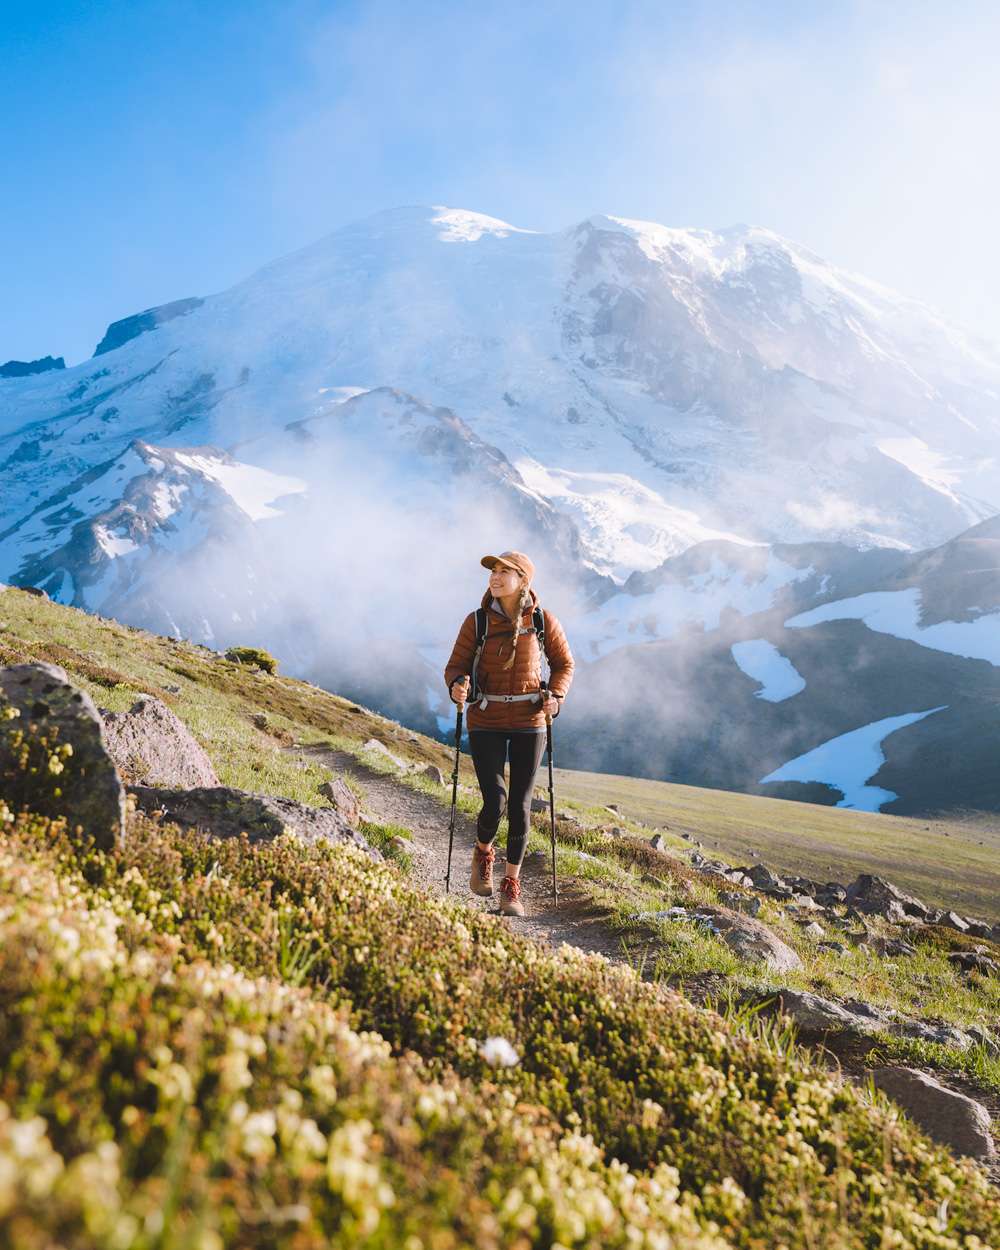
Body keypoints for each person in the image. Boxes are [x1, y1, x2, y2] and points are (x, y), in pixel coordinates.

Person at [444, 550, 575, 916]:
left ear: (524, 581)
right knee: (495, 802)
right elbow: (455, 665)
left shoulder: (544, 621)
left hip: (530, 721)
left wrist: (557, 698)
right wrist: (457, 684)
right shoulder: (477, 622)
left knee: (520, 806)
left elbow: (564, 663)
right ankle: (483, 852)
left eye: (505, 571)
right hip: (485, 719)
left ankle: (510, 887)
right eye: (493, 571)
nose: (495, 577)